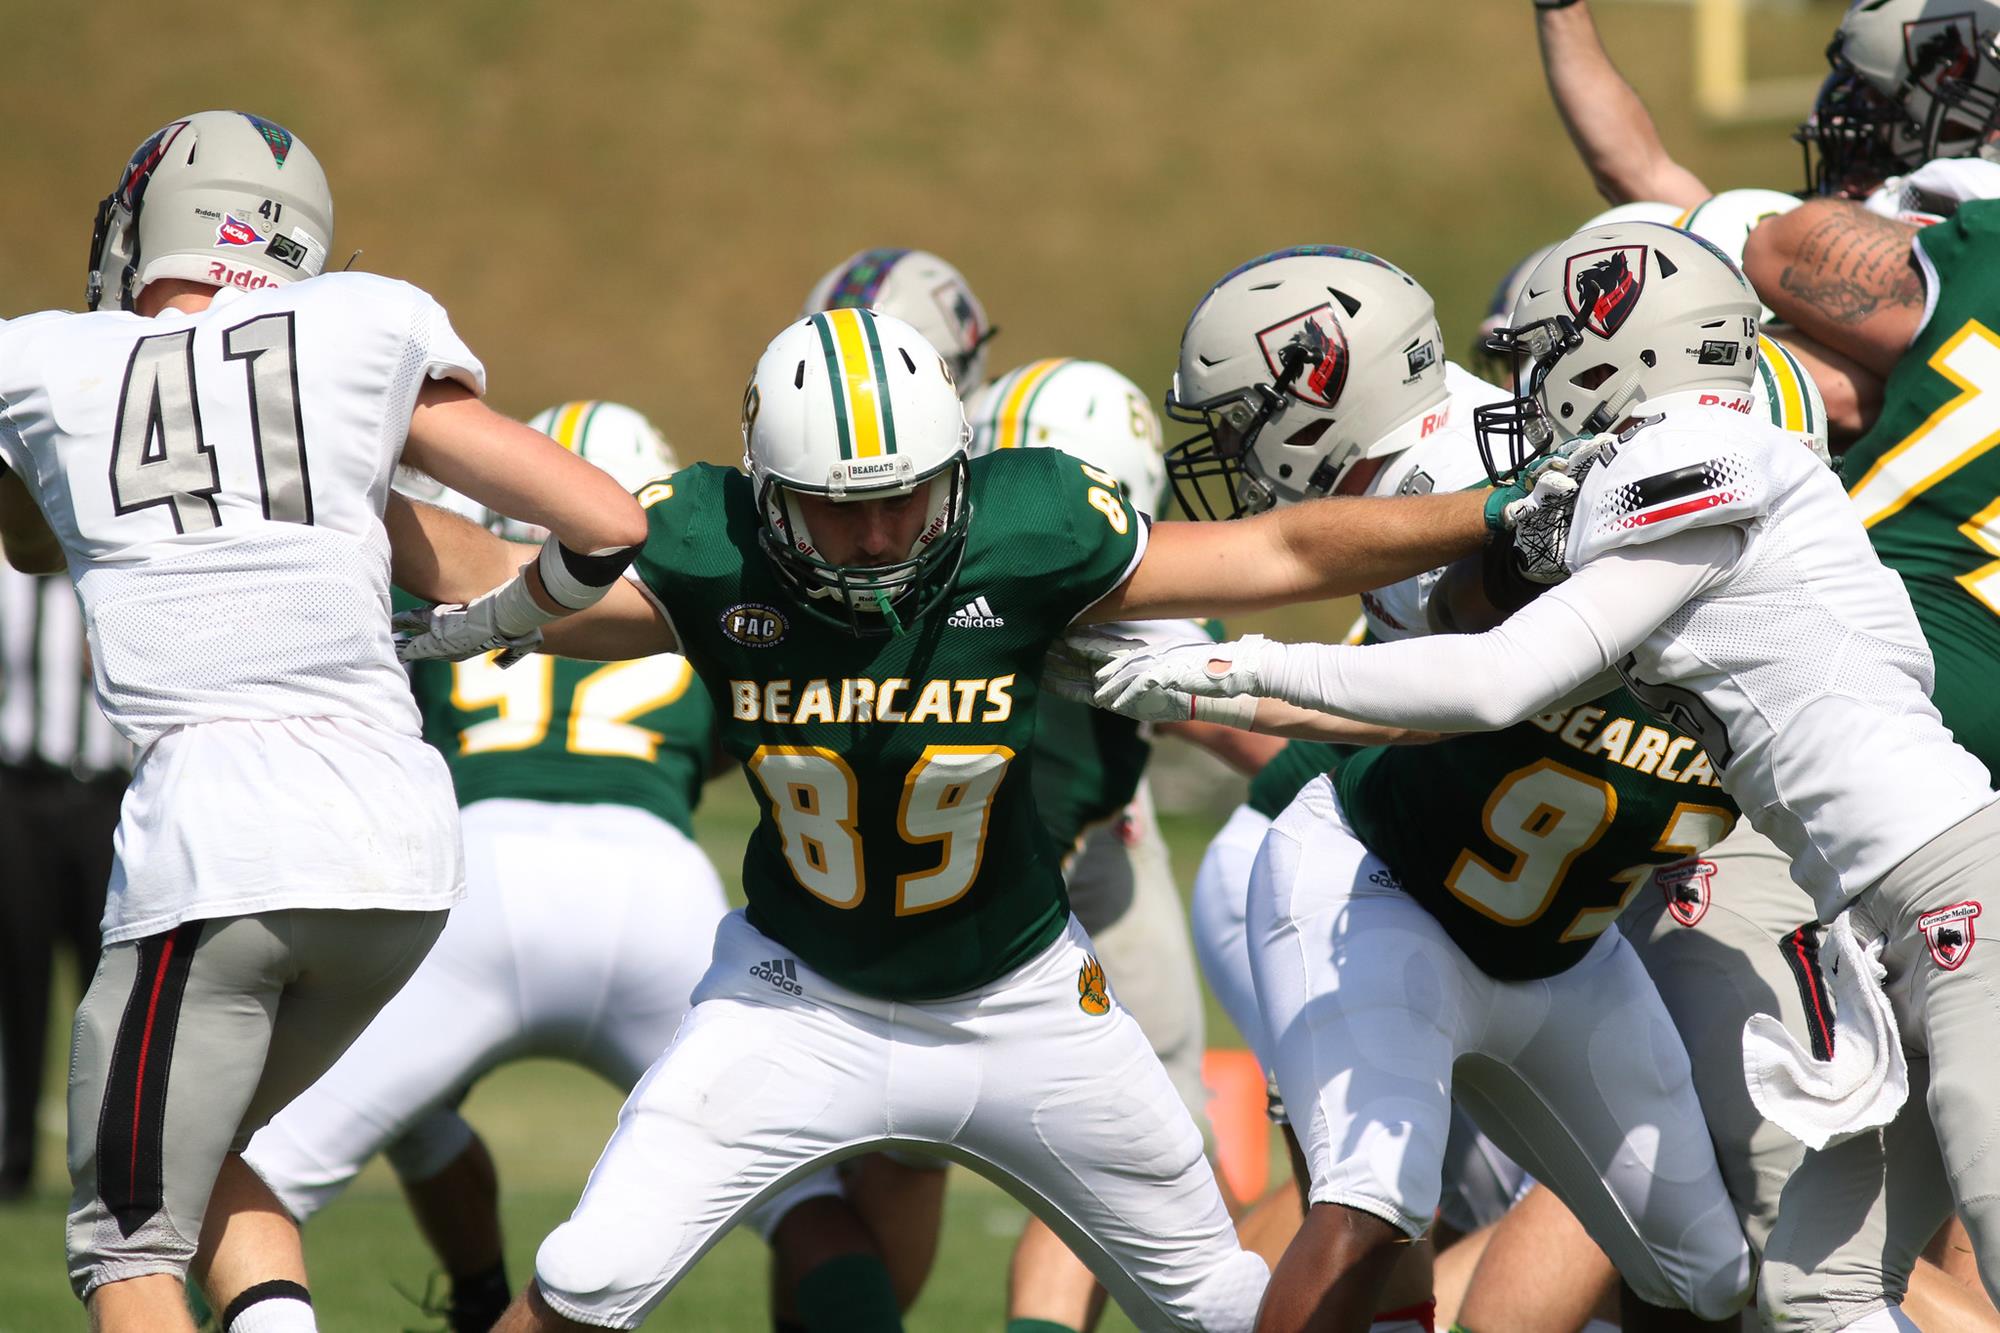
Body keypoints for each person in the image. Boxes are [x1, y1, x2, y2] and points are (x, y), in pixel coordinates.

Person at [385, 302, 1576, 1332]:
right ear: (766, 491)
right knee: (585, 1278)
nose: (878, 534)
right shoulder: (710, 543)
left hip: (1027, 999)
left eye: (904, 497)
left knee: (1216, 1298)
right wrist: (331, 488)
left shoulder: (1032, 525)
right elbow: (482, 565)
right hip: (797, 998)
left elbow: (1274, 544)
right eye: (836, 506)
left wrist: (1494, 509)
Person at [1098, 217, 2000, 1330]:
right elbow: (1474, 609)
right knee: (1790, 1282)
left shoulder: (1705, 469)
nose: (1525, 398)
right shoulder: (1715, 501)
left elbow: (1491, 671)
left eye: (1546, 358)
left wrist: (1221, 666)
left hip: (1805, 914)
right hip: (1450, 892)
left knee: (1831, 1253)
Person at [0, 111, 648, 1333]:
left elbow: (30, 541)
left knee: (125, 1243)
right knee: (217, 1150)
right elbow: (604, 523)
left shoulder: (44, 362)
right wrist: (481, 626)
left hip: (218, 850)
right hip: (398, 861)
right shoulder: (355, 337)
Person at [237, 402, 746, 1333]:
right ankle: (484, 1300)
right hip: (664, 892)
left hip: (480, 884)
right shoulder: (704, 619)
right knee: (811, 1189)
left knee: (260, 1163)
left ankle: (458, 1299)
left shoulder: (462, 590)